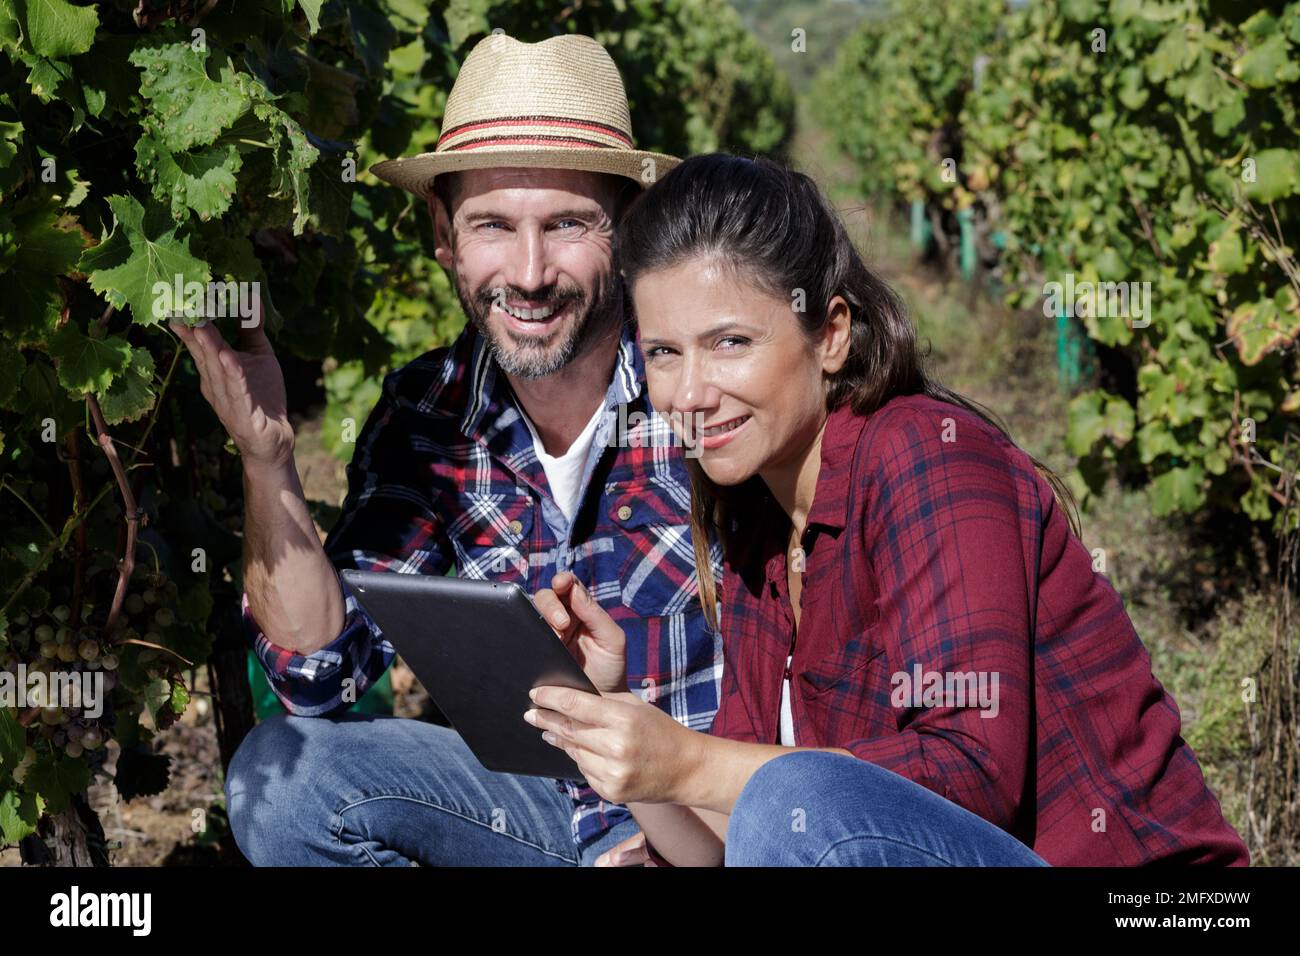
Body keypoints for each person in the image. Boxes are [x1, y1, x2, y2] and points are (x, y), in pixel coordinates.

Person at [525, 154, 1251, 867]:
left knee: (793, 793)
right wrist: (615, 719)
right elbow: (719, 841)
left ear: (831, 334)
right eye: (663, 353)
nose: (689, 393)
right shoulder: (760, 522)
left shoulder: (929, 456)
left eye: (730, 343)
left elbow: (972, 773)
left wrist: (688, 761)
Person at [173, 34, 722, 866]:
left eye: (568, 224)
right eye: (492, 226)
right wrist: (266, 458)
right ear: (443, 235)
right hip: (526, 815)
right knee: (284, 780)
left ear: (631, 228)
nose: (530, 273)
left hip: (700, 818)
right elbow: (318, 678)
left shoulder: (708, 394)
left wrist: (684, 833)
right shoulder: (423, 414)